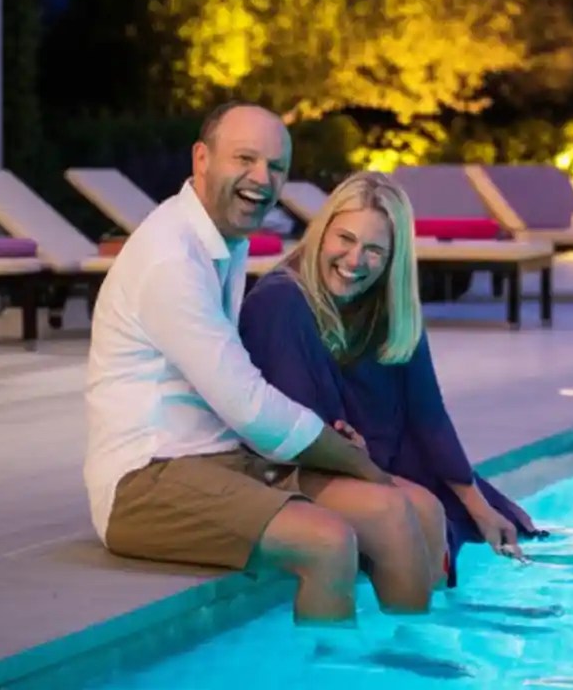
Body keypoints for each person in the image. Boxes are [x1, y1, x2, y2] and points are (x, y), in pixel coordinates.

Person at [84, 101, 441, 624]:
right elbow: (247, 404)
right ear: (201, 159)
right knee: (327, 543)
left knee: (416, 511)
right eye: (245, 159)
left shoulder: (223, 243)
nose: (261, 178)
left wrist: (336, 447)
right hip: (146, 479)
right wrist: (353, 460)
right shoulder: (171, 259)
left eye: (276, 167)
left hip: (222, 457)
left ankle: (415, 668)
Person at [237, 171, 546, 590]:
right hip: (303, 461)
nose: (354, 260)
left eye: (374, 250)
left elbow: (428, 413)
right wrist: (357, 461)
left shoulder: (389, 304)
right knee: (419, 510)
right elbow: (299, 426)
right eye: (344, 239)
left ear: (393, 258)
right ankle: (406, 638)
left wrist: (478, 505)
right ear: (322, 231)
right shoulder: (281, 301)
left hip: (369, 452)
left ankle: (426, 629)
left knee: (455, 513)